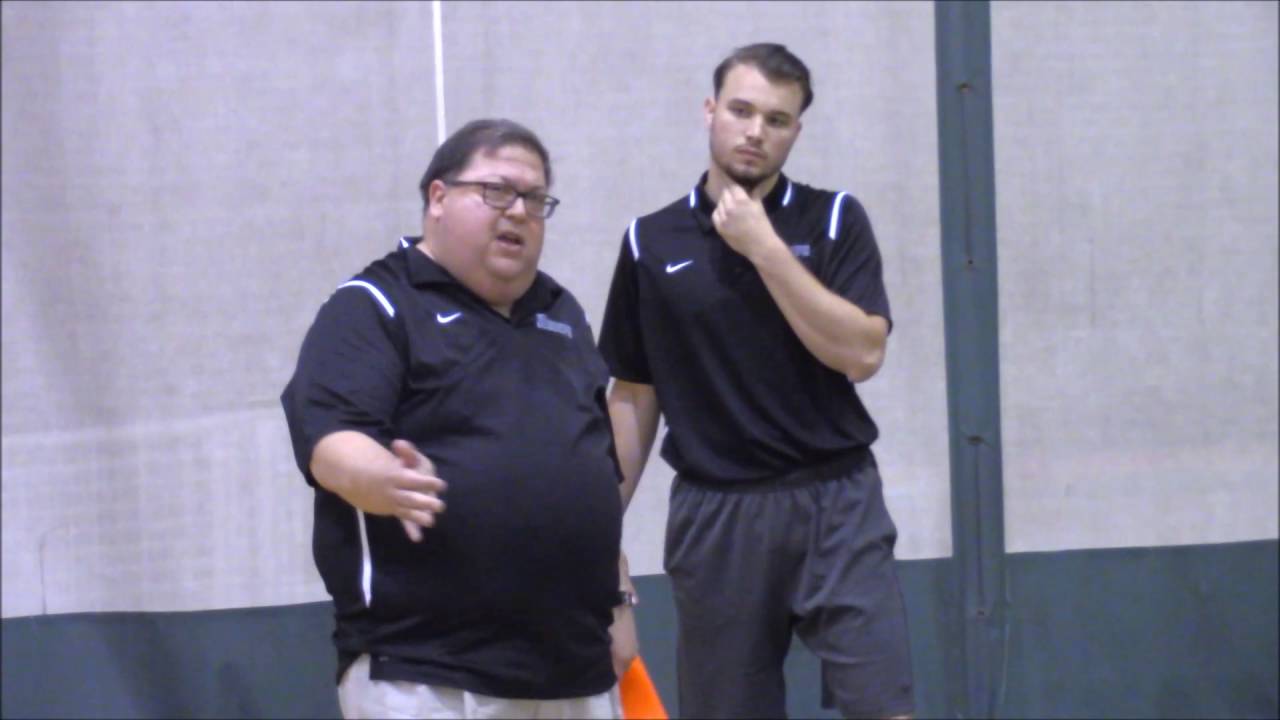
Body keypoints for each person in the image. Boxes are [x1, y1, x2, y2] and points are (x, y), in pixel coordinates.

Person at [281, 118, 635, 720]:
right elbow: (330, 440)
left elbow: (592, 474)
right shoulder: (375, 304)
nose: (518, 211)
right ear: (437, 198)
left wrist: (620, 602)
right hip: (429, 672)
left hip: (574, 667)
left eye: (535, 199)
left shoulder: (562, 314)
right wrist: (383, 480)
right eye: (496, 191)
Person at [599, 44, 914, 719]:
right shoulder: (648, 241)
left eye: (776, 119)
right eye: (741, 111)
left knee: (883, 706)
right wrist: (593, 523)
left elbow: (861, 353)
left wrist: (763, 245)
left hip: (836, 500)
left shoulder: (834, 220)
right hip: (717, 512)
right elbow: (634, 393)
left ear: (795, 132)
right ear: (709, 112)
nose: (754, 131)